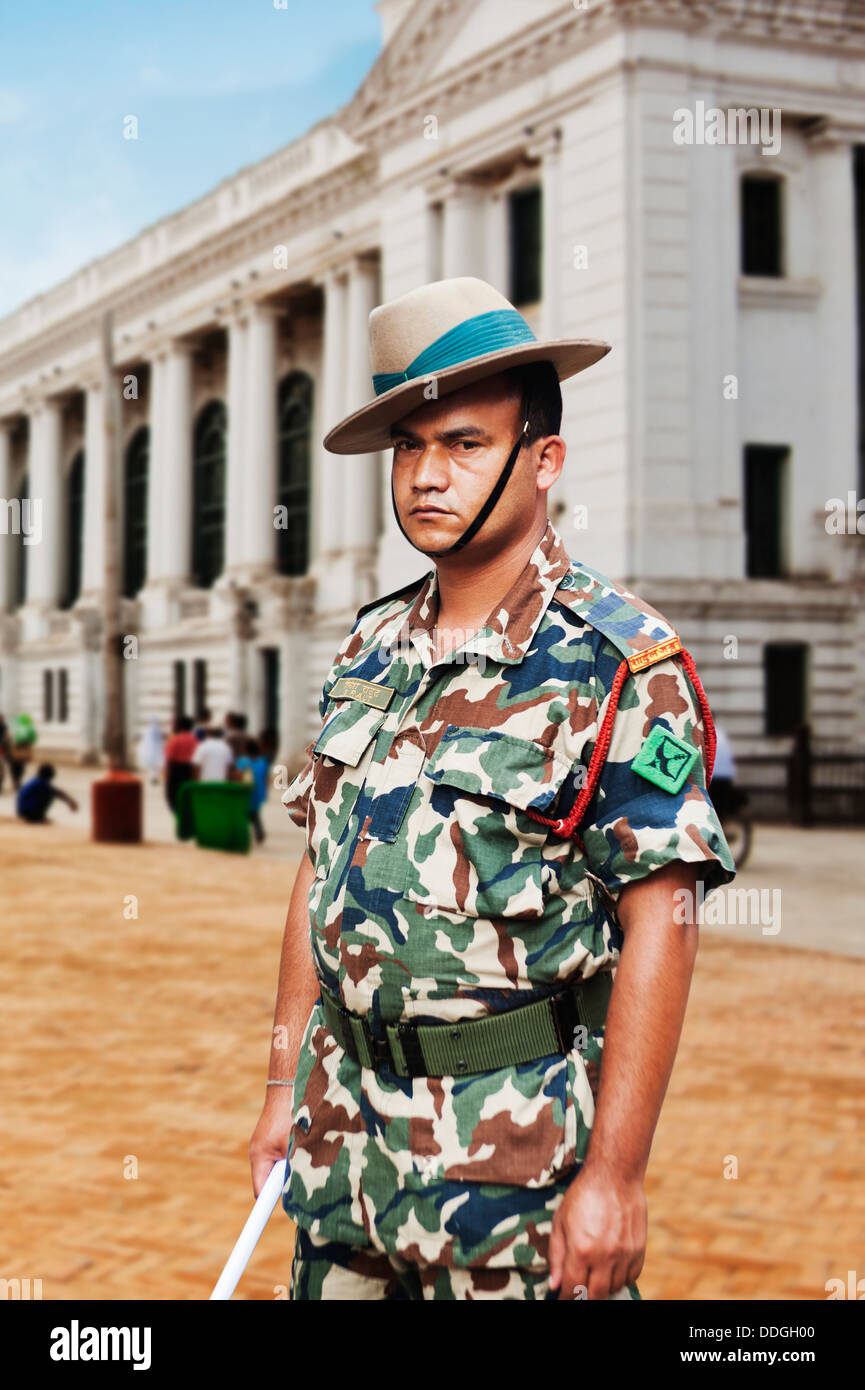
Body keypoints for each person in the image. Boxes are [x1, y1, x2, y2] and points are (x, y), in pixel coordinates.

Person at [248, 276, 735, 1302]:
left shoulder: (618, 665)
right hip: (343, 1156)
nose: (429, 475)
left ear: (542, 459)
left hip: (512, 1184)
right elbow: (316, 870)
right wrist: (278, 1090)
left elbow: (665, 919)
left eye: (464, 443)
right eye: (410, 448)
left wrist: (617, 1174)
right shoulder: (367, 647)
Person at [235, 736, 270, 845]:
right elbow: (266, 778)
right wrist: (265, 791)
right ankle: (259, 833)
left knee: (244, 814)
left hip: (246, 791)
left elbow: (238, 776)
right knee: (255, 814)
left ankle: (244, 835)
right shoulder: (262, 762)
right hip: (258, 791)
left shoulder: (243, 762)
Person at [163, 715, 199, 811]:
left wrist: (166, 775)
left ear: (179, 726)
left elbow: (168, 759)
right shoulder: (195, 741)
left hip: (175, 770)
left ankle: (178, 816)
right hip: (189, 770)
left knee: (172, 797)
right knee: (187, 797)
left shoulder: (174, 740)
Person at [137, 716, 164, 786]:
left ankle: (153, 777)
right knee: (154, 766)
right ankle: (154, 778)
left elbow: (144, 740)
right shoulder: (158, 730)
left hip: (150, 750)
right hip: (155, 750)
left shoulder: (148, 730)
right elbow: (160, 741)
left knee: (152, 766)